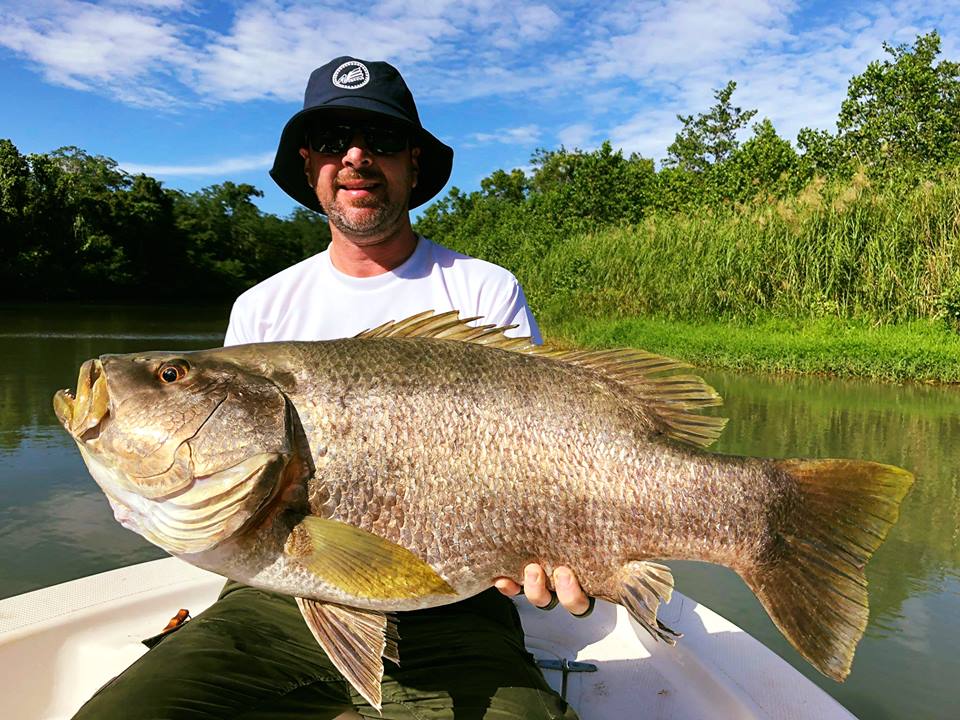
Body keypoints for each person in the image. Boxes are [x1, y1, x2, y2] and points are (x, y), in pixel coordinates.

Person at [74, 56, 590, 720]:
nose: (354, 157)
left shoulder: (484, 289)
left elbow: (548, 453)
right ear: (309, 164)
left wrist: (558, 547)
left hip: (456, 603)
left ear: (413, 163)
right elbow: (225, 501)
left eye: (378, 140)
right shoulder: (263, 306)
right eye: (331, 141)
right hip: (271, 600)